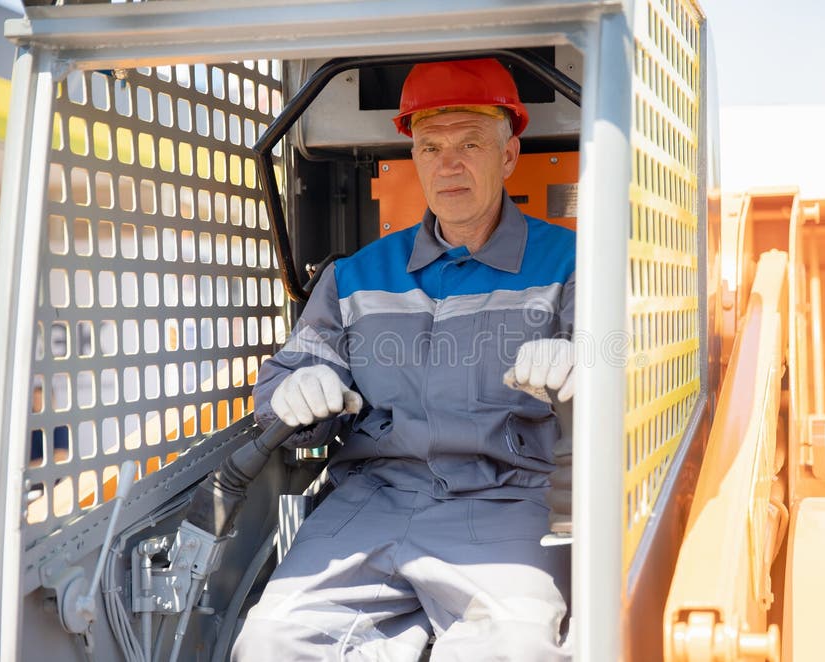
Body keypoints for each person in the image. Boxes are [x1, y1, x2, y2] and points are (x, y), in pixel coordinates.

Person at [232, 58, 576, 661]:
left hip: (505, 500)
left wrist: (582, 365)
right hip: (369, 502)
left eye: (470, 142)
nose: (448, 163)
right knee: (272, 640)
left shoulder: (572, 263)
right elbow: (286, 384)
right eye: (429, 146)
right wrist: (300, 392)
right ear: (413, 156)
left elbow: (635, 372)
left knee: (511, 648)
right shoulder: (355, 276)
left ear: (509, 155)